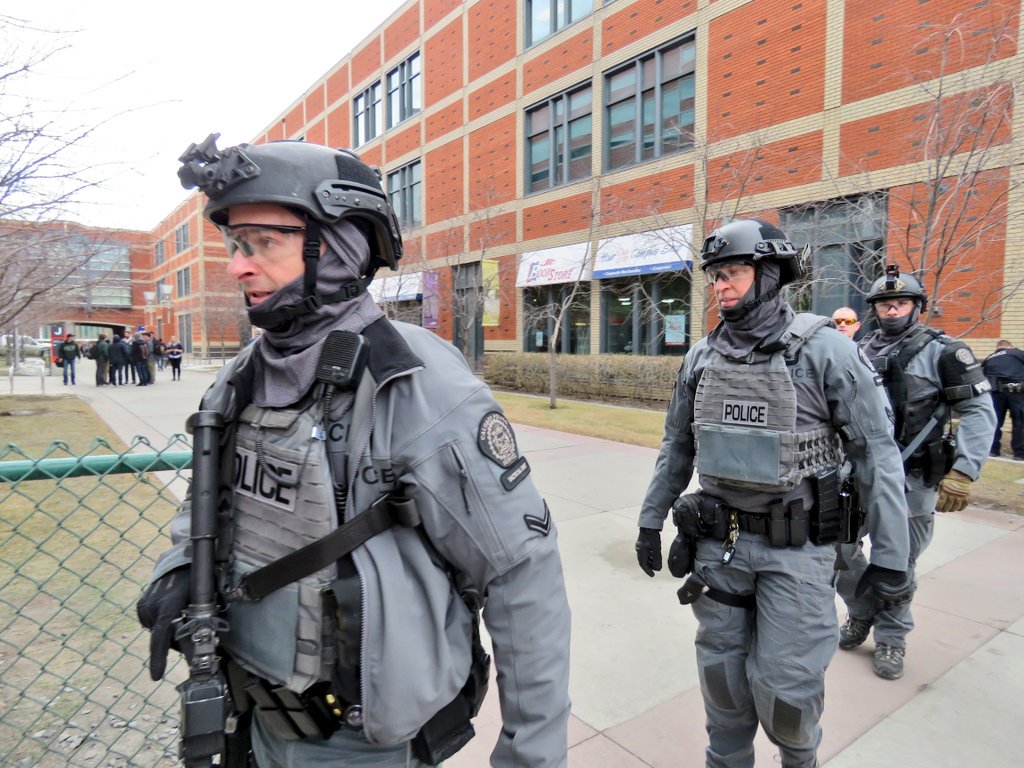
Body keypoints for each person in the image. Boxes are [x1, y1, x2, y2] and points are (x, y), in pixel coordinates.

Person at [136, 136, 571, 768]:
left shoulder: (417, 384)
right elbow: (210, 505)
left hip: (359, 744)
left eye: (264, 243)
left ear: (337, 248)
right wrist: (178, 567)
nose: (237, 266)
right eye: (235, 244)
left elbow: (520, 573)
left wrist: (530, 756)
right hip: (252, 713)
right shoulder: (241, 378)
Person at [634, 218, 911, 768]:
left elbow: (876, 453)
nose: (721, 286)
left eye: (732, 273)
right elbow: (677, 445)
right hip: (720, 548)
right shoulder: (701, 358)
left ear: (769, 275)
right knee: (722, 683)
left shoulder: (825, 351)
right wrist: (650, 518)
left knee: (787, 694)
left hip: (800, 553)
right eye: (715, 276)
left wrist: (892, 557)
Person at [836, 266, 996, 680]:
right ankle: (860, 612)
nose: (892, 309)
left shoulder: (945, 352)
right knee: (839, 554)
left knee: (897, 566)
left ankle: (891, 639)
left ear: (916, 307)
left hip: (912, 478)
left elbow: (979, 412)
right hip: (855, 476)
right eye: (884, 303)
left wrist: (965, 470)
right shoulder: (858, 349)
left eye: (900, 302)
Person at [982, 339, 1024, 460]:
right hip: (1018, 393)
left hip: (996, 393)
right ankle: (1019, 454)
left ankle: (992, 450)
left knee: (994, 422)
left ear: (998, 348)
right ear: (1010, 346)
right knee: (1020, 423)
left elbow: (982, 376)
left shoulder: (990, 357)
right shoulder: (1018, 353)